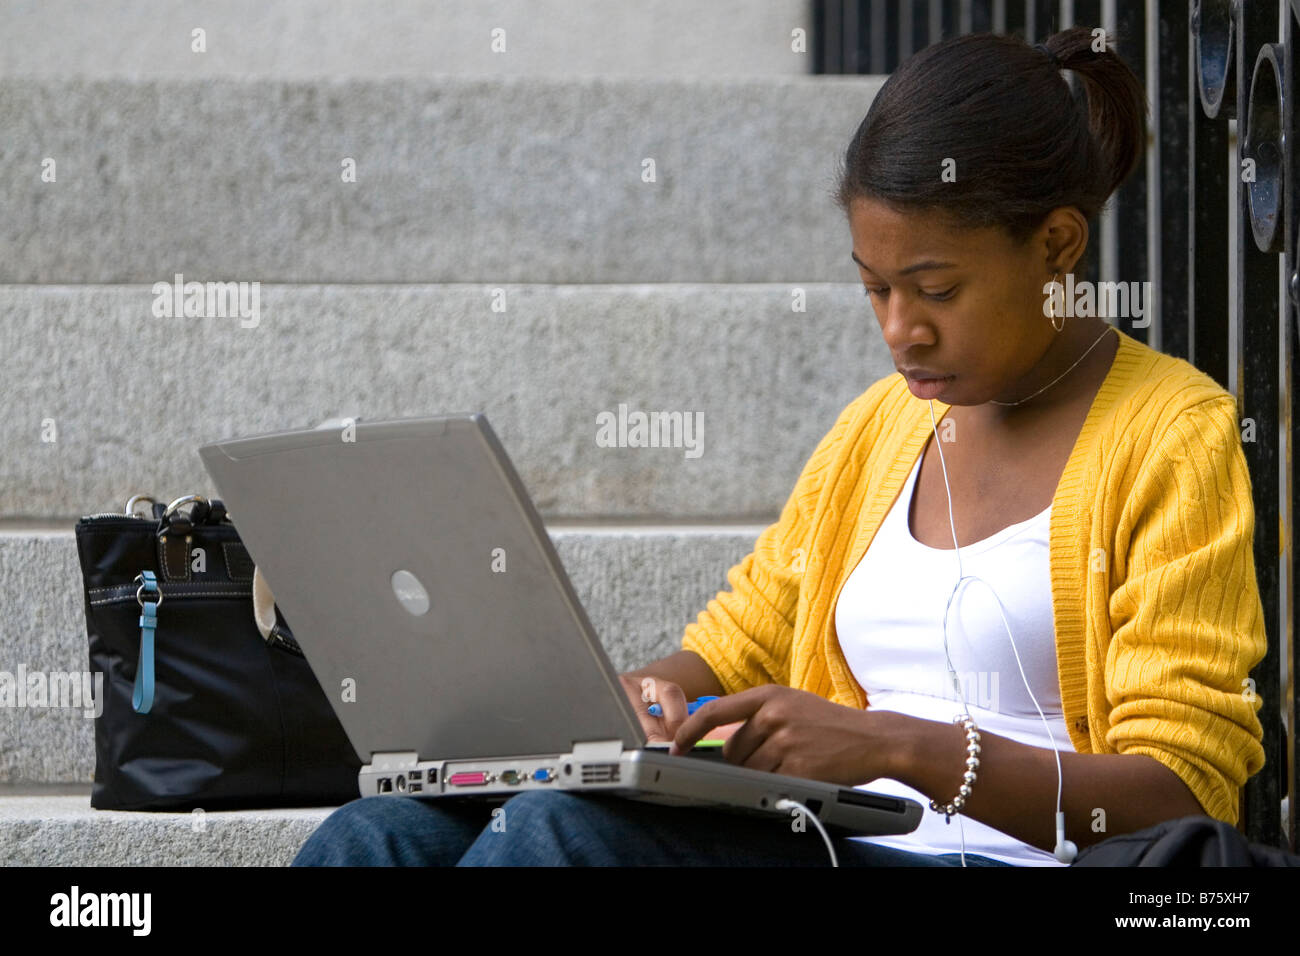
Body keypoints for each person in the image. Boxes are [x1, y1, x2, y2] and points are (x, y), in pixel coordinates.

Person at [292, 26, 1267, 867]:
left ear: (1056, 245)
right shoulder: (877, 430)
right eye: (873, 287)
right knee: (381, 835)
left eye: (934, 289)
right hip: (837, 841)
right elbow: (737, 638)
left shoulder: (1172, 433)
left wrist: (894, 746)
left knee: (564, 837)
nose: (899, 331)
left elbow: (1178, 791)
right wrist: (656, 697)